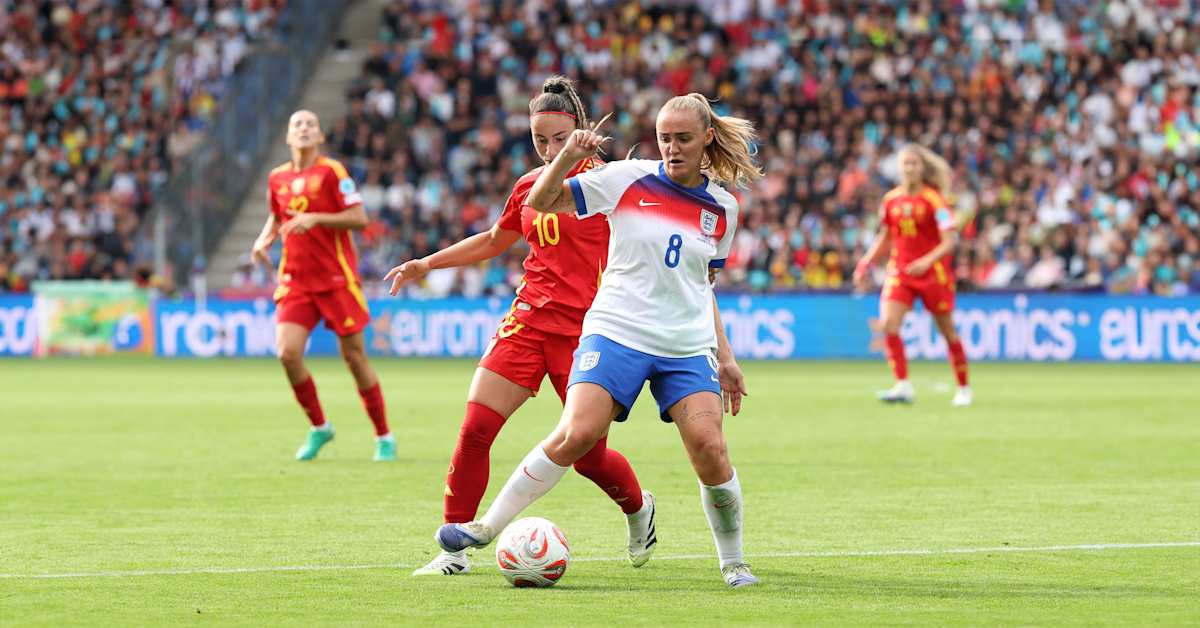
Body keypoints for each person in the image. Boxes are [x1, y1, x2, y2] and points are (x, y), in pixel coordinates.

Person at [434, 93, 763, 589]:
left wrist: (729, 357)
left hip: (684, 344)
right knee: (577, 434)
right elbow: (541, 201)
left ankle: (734, 562)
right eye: (664, 138)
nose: (671, 148)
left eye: (683, 138)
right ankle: (485, 527)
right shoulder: (627, 179)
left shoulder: (723, 210)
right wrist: (567, 156)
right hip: (617, 331)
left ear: (707, 139)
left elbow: (702, 285)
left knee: (709, 449)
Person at [384, 77, 654, 577]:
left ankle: (640, 511)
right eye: (539, 141)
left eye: (558, 138)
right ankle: (453, 551)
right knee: (475, 429)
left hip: (588, 331)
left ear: (579, 129)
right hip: (528, 319)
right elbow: (493, 239)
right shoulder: (530, 187)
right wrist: (426, 263)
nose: (549, 149)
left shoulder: (614, 185)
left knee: (589, 457)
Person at [250, 110, 395, 461]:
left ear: (319, 137)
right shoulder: (277, 178)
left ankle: (383, 435)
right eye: (297, 124)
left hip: (336, 280)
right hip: (296, 281)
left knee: (354, 358)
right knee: (287, 353)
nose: (303, 129)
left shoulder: (333, 172)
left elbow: (359, 218)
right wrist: (263, 240)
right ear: (288, 137)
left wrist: (316, 218)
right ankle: (320, 427)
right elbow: (277, 215)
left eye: (310, 125)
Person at [853, 144, 971, 407]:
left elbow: (950, 241)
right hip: (901, 271)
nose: (910, 168)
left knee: (948, 331)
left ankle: (963, 388)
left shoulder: (935, 199)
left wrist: (925, 261)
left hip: (933, 273)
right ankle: (903, 385)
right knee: (888, 326)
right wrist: (865, 263)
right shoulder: (891, 200)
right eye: (906, 163)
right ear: (899, 168)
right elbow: (885, 237)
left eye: (914, 163)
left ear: (922, 168)